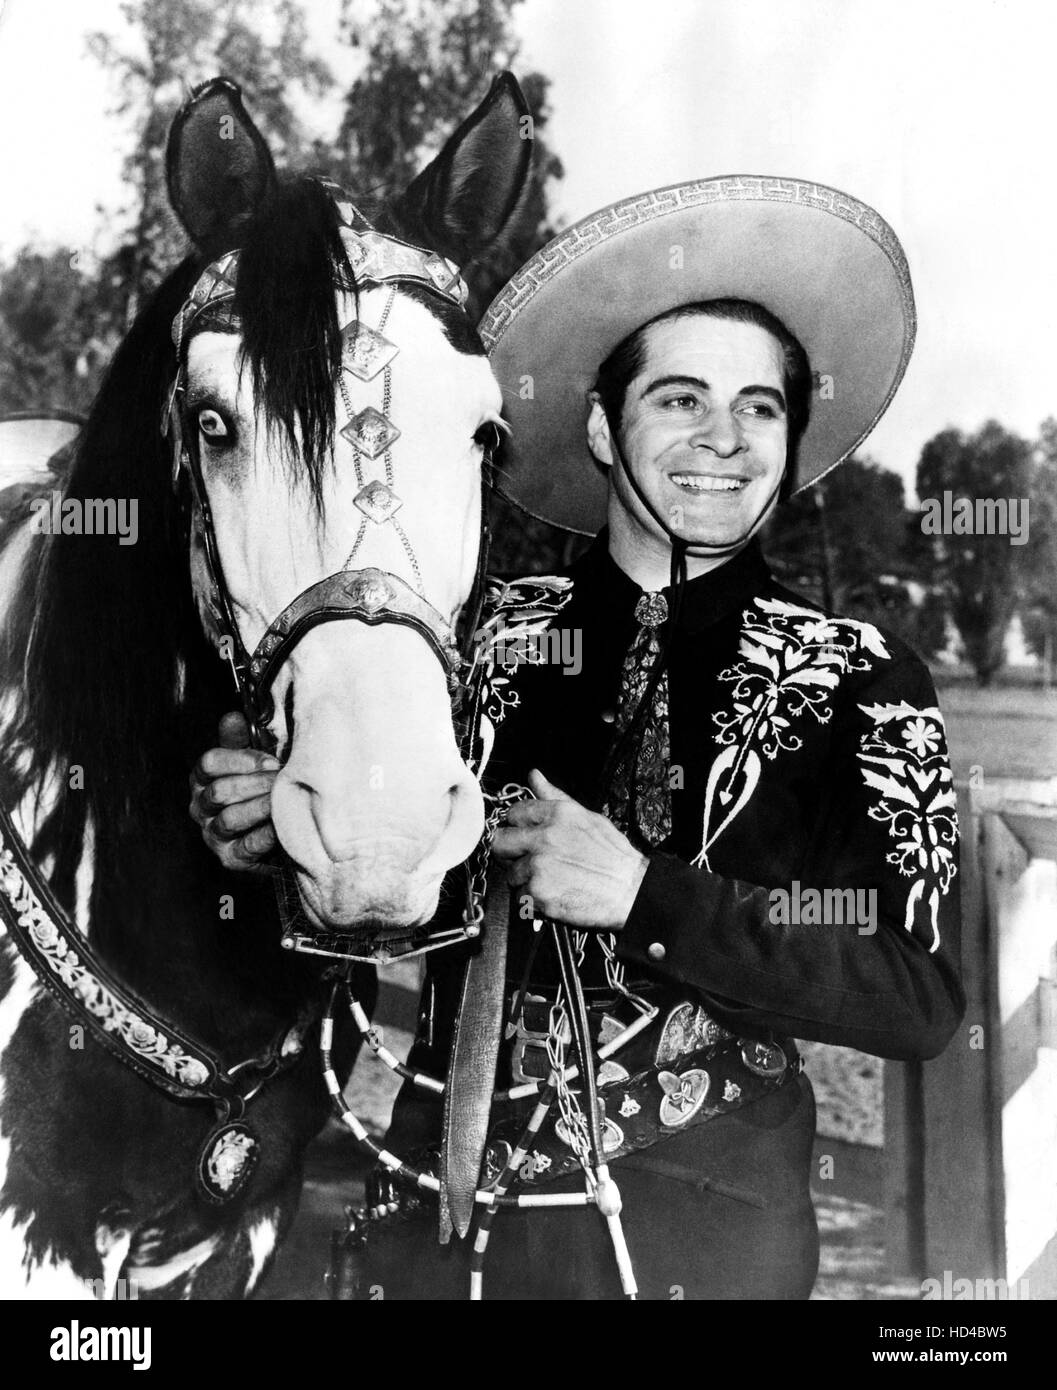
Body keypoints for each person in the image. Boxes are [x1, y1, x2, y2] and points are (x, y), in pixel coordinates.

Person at [191, 176, 965, 1299]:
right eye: (680, 398)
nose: (722, 439)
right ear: (605, 426)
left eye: (759, 407)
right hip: (438, 1232)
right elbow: (391, 912)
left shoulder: (863, 674)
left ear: (792, 441)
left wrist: (644, 897)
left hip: (712, 1251)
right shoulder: (468, 638)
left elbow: (918, 994)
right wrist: (283, 831)